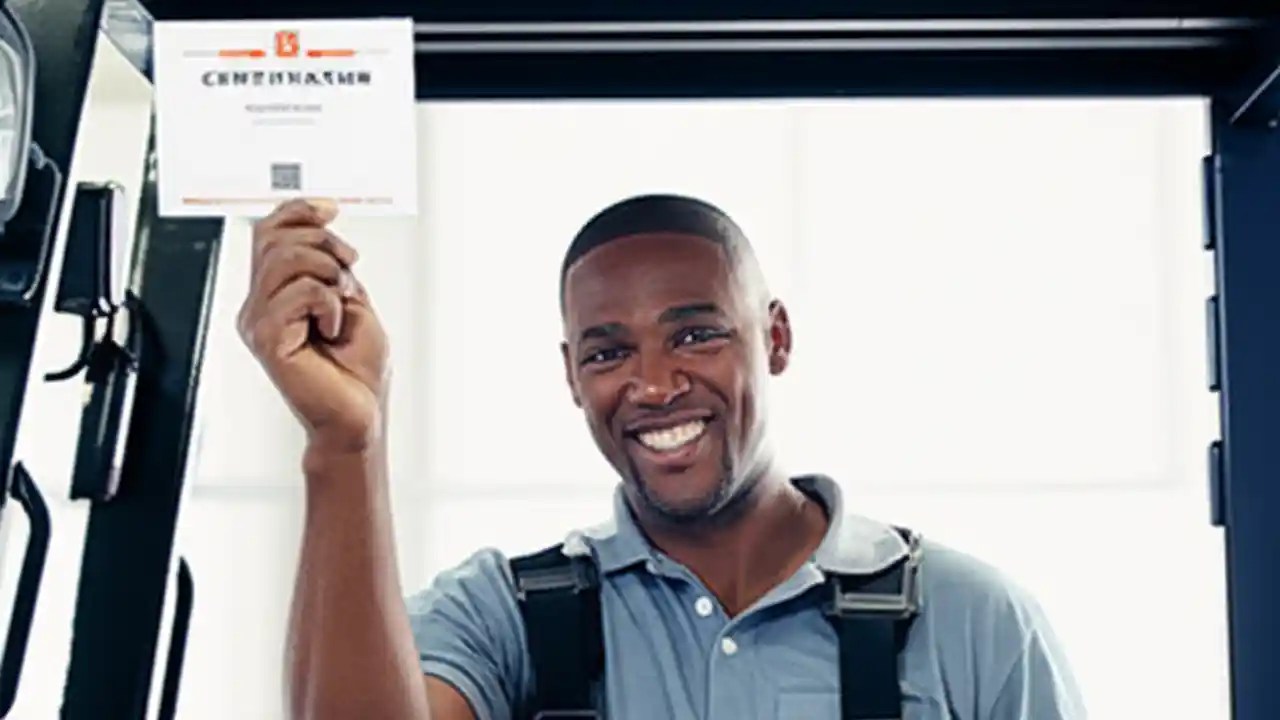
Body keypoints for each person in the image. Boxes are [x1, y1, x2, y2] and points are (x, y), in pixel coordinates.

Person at [239, 195, 1087, 720]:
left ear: (775, 337)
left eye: (696, 335)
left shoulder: (971, 622)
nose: (654, 384)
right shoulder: (504, 617)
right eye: (608, 353)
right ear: (571, 377)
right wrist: (347, 444)